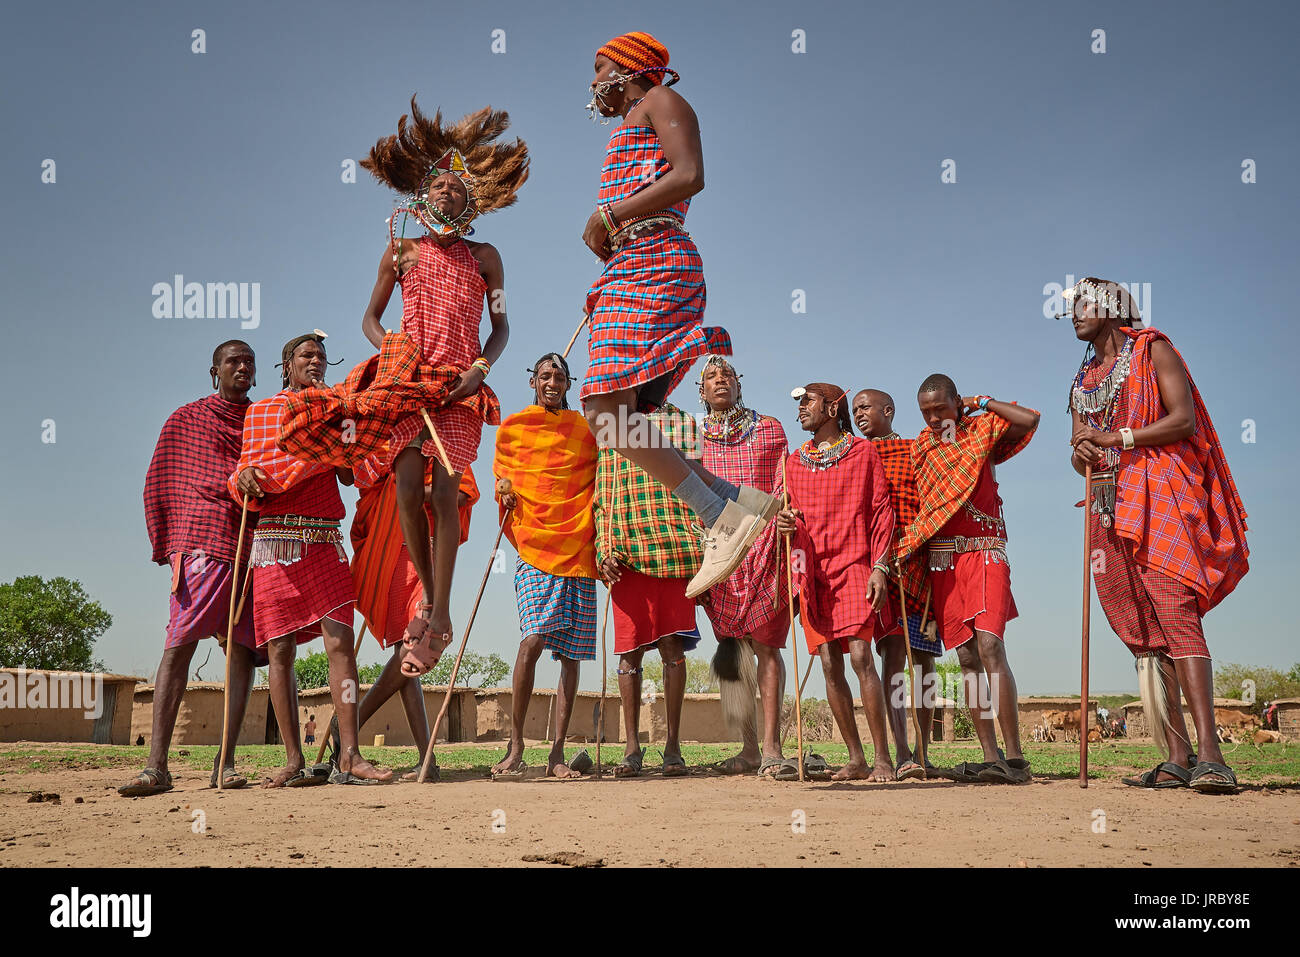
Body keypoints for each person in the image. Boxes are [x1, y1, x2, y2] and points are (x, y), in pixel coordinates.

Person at [580, 32, 777, 600]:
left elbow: (691, 175)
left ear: (630, 66)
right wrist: (608, 260)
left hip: (657, 259)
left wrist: (609, 215)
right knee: (613, 415)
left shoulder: (662, 102)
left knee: (603, 412)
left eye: (599, 68)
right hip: (632, 263)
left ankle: (719, 516)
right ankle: (733, 502)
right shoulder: (631, 123)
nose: (592, 83)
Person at [1062, 277, 1249, 793]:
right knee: (1140, 627)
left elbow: (1182, 420)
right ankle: (1177, 754)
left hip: (1160, 494)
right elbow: (1078, 441)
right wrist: (1080, 452)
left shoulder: (1154, 349)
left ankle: (1213, 756)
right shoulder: (1082, 378)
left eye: (1082, 305)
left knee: (1175, 613)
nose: (1073, 315)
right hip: (1105, 504)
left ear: (1112, 308)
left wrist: (1118, 437)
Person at [231, 333, 391, 787]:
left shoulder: (337, 408)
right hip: (274, 541)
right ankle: (291, 759)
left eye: (321, 355)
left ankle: (351, 755)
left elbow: (349, 470)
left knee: (339, 641)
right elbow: (247, 466)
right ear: (287, 366)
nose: (316, 360)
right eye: (307, 355)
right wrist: (243, 478)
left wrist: (338, 432)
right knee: (279, 648)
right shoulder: (262, 412)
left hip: (323, 537)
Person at [122, 341, 260, 797]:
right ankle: (157, 765)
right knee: (179, 643)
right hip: (201, 542)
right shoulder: (186, 419)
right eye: (232, 361)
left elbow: (281, 471)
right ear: (214, 371)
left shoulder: (264, 421)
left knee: (241, 650)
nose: (242, 367)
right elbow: (161, 478)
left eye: (248, 362)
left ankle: (227, 760)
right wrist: (171, 541)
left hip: (251, 544)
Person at [896, 374, 1040, 784]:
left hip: (985, 551)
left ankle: (1015, 757)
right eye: (925, 412)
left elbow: (1028, 420)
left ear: (958, 403)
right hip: (943, 560)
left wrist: (985, 400)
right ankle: (989, 755)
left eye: (941, 408)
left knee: (991, 645)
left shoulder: (982, 430)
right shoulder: (922, 446)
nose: (933, 417)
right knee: (965, 657)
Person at [776, 383, 896, 782]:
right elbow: (793, 520)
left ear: (831, 407)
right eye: (799, 404)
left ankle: (883, 758)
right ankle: (856, 757)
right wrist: (787, 526)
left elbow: (880, 511)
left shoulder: (863, 454)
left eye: (807, 401)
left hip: (856, 565)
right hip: (815, 572)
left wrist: (880, 566)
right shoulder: (793, 462)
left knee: (862, 657)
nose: (801, 409)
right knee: (829, 662)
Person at [491, 353, 600, 779]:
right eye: (545, 375)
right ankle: (516, 745)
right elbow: (504, 474)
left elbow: (599, 472)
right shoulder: (515, 428)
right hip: (535, 547)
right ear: (533, 380)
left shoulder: (584, 429)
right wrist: (503, 488)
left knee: (571, 656)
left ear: (569, 384)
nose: (552, 381)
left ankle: (556, 755)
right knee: (532, 641)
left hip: (579, 547)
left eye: (560, 376)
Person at [348, 455, 478, 782]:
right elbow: (360, 482)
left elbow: (460, 494)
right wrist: (397, 486)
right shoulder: (388, 444)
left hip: (426, 552)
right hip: (387, 553)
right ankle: (427, 758)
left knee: (416, 644)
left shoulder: (443, 440)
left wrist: (412, 492)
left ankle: (350, 722)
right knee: (404, 653)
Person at [696, 356, 795, 778]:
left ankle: (773, 748)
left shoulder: (769, 428)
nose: (720, 381)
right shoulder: (692, 438)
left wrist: (777, 526)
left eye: (727, 375)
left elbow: (784, 485)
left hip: (764, 541)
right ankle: (749, 748)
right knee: (731, 650)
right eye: (711, 378)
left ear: (739, 384)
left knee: (767, 645)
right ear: (700, 391)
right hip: (719, 549)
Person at [594, 401, 704, 777]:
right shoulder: (614, 423)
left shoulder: (683, 422)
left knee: (673, 647)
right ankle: (631, 747)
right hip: (627, 551)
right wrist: (604, 548)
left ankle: (672, 747)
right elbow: (603, 497)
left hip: (677, 547)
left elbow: (696, 485)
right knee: (631, 653)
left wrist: (702, 550)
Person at [852, 388, 943, 779]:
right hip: (879, 569)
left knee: (923, 661)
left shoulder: (913, 450)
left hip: (919, 566)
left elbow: (933, 498)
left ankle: (922, 750)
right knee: (891, 657)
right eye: (854, 409)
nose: (858, 414)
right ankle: (901, 750)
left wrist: (911, 545)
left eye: (865, 407)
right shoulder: (854, 456)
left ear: (887, 410)